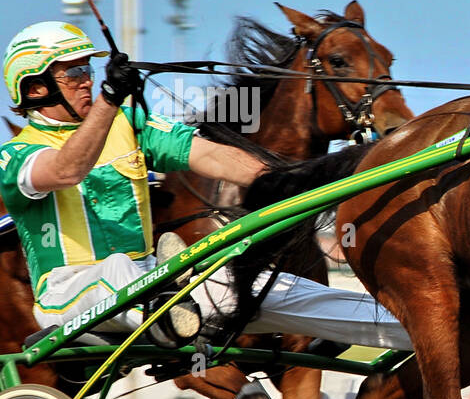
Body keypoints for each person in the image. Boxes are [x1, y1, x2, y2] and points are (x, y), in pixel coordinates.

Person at [0, 21, 413, 351]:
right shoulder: (15, 156)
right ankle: (167, 306)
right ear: (35, 87)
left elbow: (211, 155)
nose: (87, 80)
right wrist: (110, 100)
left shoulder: (130, 125)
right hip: (69, 295)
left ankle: (416, 329)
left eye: (89, 70)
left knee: (275, 287)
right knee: (120, 269)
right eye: (74, 72)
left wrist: (279, 180)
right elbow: (68, 170)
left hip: (154, 279)